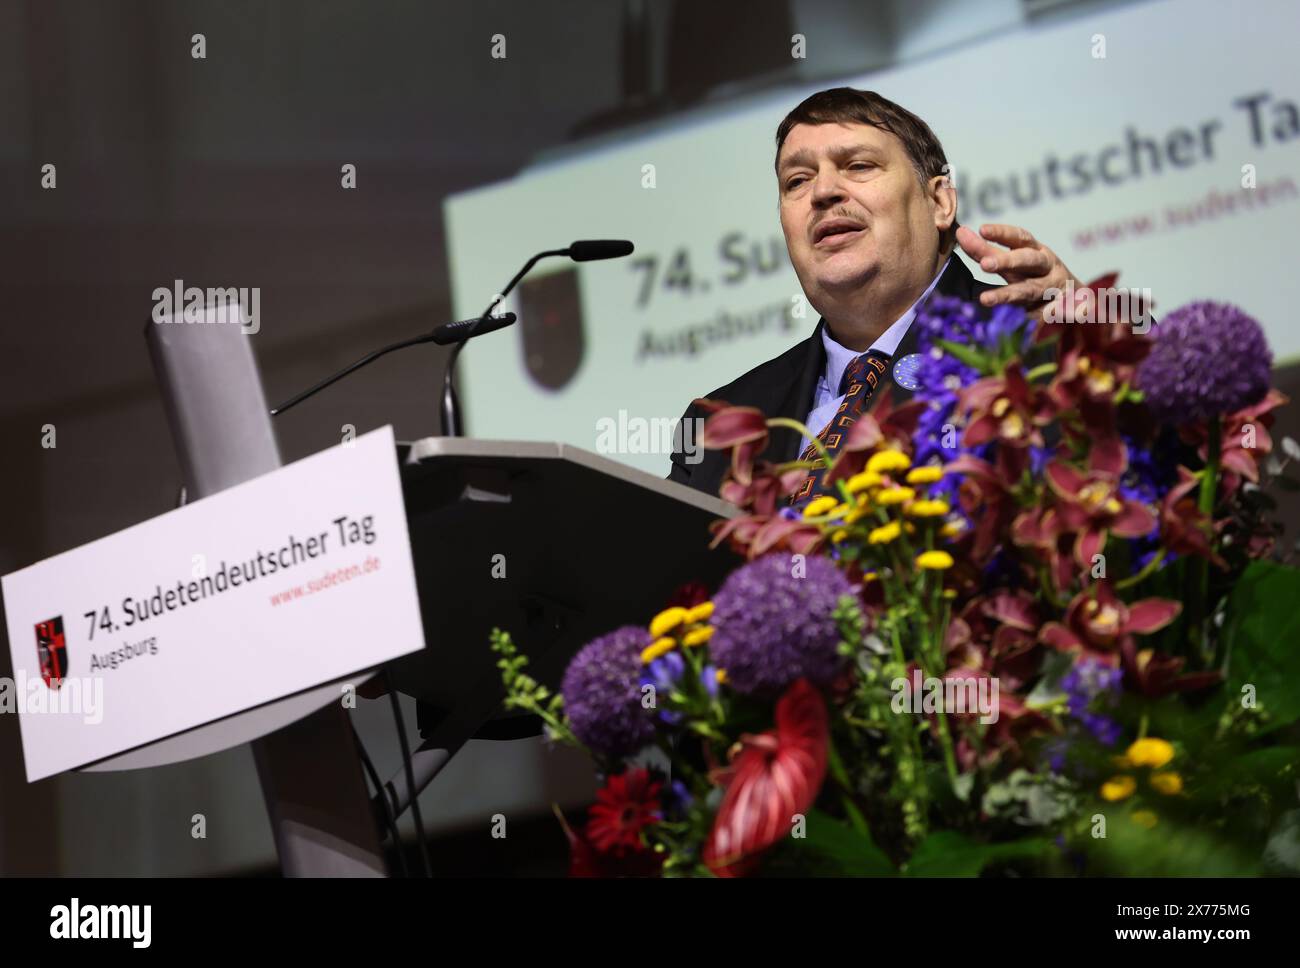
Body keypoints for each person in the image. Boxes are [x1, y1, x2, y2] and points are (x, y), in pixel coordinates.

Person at [668, 87, 1085, 501]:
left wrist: (1095, 333)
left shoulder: (1040, 343)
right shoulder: (718, 429)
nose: (823, 192)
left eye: (858, 166)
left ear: (940, 202)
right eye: (797, 180)